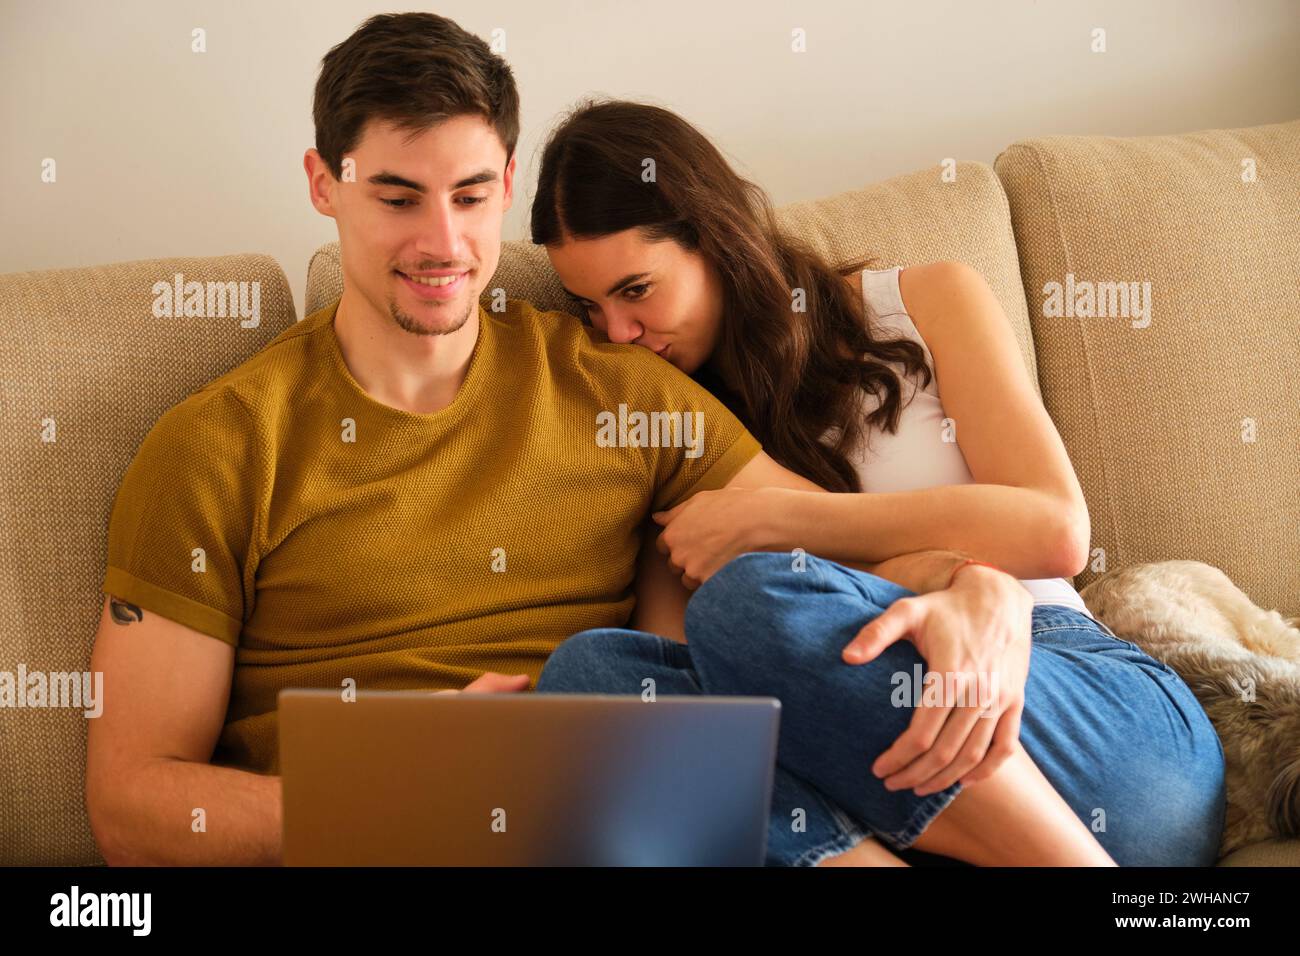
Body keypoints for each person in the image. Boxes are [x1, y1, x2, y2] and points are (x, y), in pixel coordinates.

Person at [84, 12, 1021, 867]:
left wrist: (979, 586)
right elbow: (130, 808)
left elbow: (833, 556)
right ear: (326, 185)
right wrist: (396, 792)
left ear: (507, 186)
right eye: (399, 198)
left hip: (629, 815)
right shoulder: (218, 446)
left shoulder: (617, 387)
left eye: (471, 195)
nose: (442, 242)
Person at [528, 99, 1228, 866]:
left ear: (715, 239)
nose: (618, 334)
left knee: (747, 598)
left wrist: (779, 524)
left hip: (1078, 711)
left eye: (636, 290)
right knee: (591, 677)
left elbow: (1055, 530)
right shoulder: (672, 430)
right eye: (589, 309)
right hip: (886, 784)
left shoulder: (923, 301)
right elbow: (682, 693)